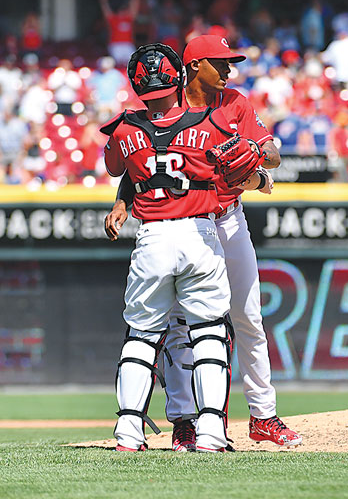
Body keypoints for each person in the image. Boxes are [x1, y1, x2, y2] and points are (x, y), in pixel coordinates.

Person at [105, 34, 301, 451]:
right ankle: (186, 421)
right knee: (179, 328)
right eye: (221, 61)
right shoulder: (167, 101)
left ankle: (263, 416)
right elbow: (143, 162)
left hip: (225, 218)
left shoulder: (235, 102)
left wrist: (253, 158)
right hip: (184, 222)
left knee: (247, 317)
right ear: (194, 66)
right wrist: (122, 201)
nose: (230, 69)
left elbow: (271, 157)